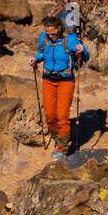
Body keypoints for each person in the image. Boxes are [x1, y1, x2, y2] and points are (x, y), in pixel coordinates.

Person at [30, 15, 90, 160]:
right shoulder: (43, 38)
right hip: (48, 80)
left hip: (65, 81)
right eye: (47, 33)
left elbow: (85, 56)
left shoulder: (69, 39)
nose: (50, 36)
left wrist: (81, 50)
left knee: (62, 115)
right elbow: (41, 52)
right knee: (50, 115)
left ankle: (62, 148)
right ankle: (58, 138)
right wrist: (35, 59)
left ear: (59, 29)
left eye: (53, 33)